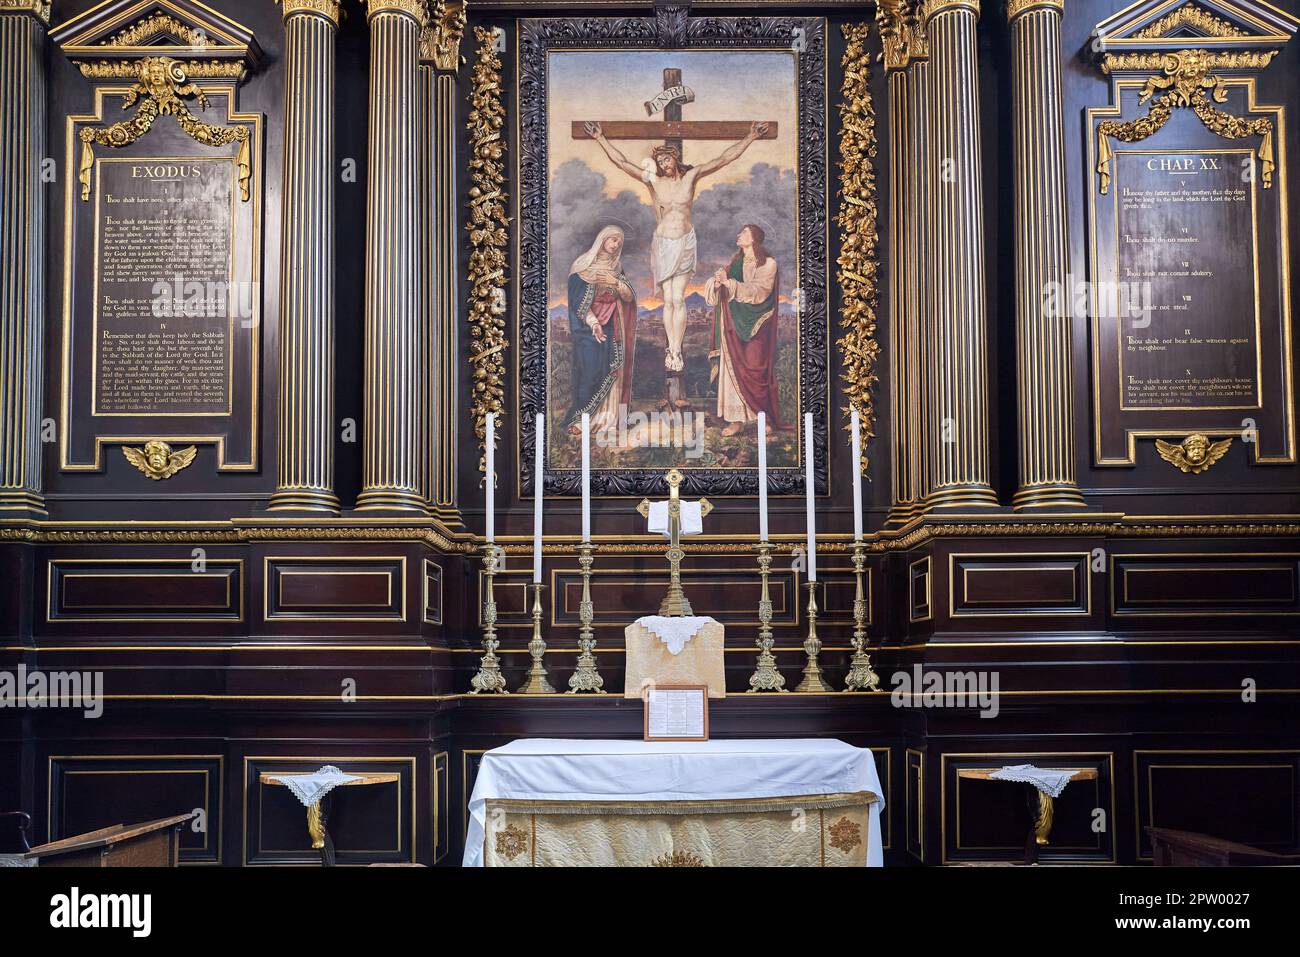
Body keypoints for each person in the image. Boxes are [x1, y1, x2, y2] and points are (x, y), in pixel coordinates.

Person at [585, 121, 768, 373]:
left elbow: (723, 159)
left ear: (674, 158)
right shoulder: (653, 182)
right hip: (662, 244)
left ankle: (676, 349)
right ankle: (670, 349)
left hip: (684, 243)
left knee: (677, 298)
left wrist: (750, 137)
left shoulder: (691, 177)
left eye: (665, 160)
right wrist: (600, 138)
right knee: (667, 300)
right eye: (658, 162)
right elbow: (623, 163)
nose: (662, 165)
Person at [705, 224, 787, 435]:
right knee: (732, 369)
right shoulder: (734, 264)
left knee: (754, 368)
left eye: (744, 233)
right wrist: (716, 283)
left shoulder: (768, 264)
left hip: (757, 324)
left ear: (753, 239)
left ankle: (762, 418)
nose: (738, 235)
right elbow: (721, 290)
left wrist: (730, 284)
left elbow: (760, 292)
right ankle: (735, 421)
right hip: (733, 325)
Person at [564, 225, 638, 437]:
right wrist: (594, 323)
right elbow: (577, 303)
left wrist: (615, 282)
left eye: (619, 242)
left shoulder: (617, 268)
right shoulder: (582, 266)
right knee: (590, 373)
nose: (615, 245)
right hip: (588, 330)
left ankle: (609, 420)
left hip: (612, 329)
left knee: (611, 371)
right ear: (602, 239)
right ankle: (581, 420)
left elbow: (629, 298)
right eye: (613, 240)